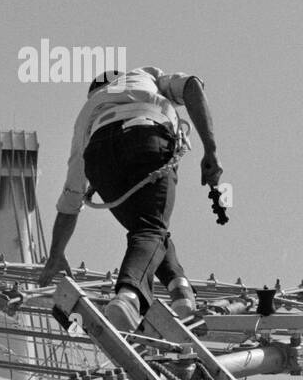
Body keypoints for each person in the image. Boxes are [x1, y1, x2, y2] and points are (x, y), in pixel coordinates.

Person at [38, 67, 222, 329]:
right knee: (151, 229)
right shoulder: (145, 76)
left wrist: (56, 253)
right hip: (145, 135)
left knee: (147, 228)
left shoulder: (88, 112)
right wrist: (211, 150)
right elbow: (192, 85)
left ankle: (181, 295)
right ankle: (128, 296)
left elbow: (71, 196)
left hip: (100, 161)